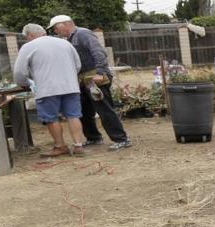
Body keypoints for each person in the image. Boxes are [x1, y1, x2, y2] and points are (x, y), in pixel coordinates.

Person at [48, 14, 132, 150]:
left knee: (104, 109)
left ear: (65, 24)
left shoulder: (83, 33)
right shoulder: (70, 39)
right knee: (83, 111)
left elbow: (99, 52)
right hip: (84, 80)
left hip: (95, 78)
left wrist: (100, 72)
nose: (55, 32)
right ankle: (93, 137)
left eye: (56, 28)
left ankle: (122, 139)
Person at [12, 23, 87, 157]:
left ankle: (60, 146)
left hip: (47, 88)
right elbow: (78, 65)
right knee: (73, 115)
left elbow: (19, 72)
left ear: (29, 35)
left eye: (26, 37)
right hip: (70, 86)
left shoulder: (28, 47)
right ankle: (78, 145)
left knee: (51, 118)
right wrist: (69, 77)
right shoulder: (64, 43)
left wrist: (25, 84)